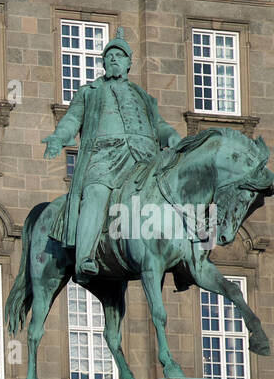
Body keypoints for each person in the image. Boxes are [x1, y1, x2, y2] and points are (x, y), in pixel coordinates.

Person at [42, 28, 181, 281]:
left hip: (142, 161)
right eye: (110, 56)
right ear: (103, 62)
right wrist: (59, 137)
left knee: (172, 193)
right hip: (104, 158)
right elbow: (72, 120)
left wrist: (172, 136)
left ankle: (184, 257)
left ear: (129, 63)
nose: (114, 59)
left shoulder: (144, 97)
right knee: (95, 193)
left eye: (120, 56)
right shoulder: (90, 92)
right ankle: (85, 257)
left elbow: (158, 125)